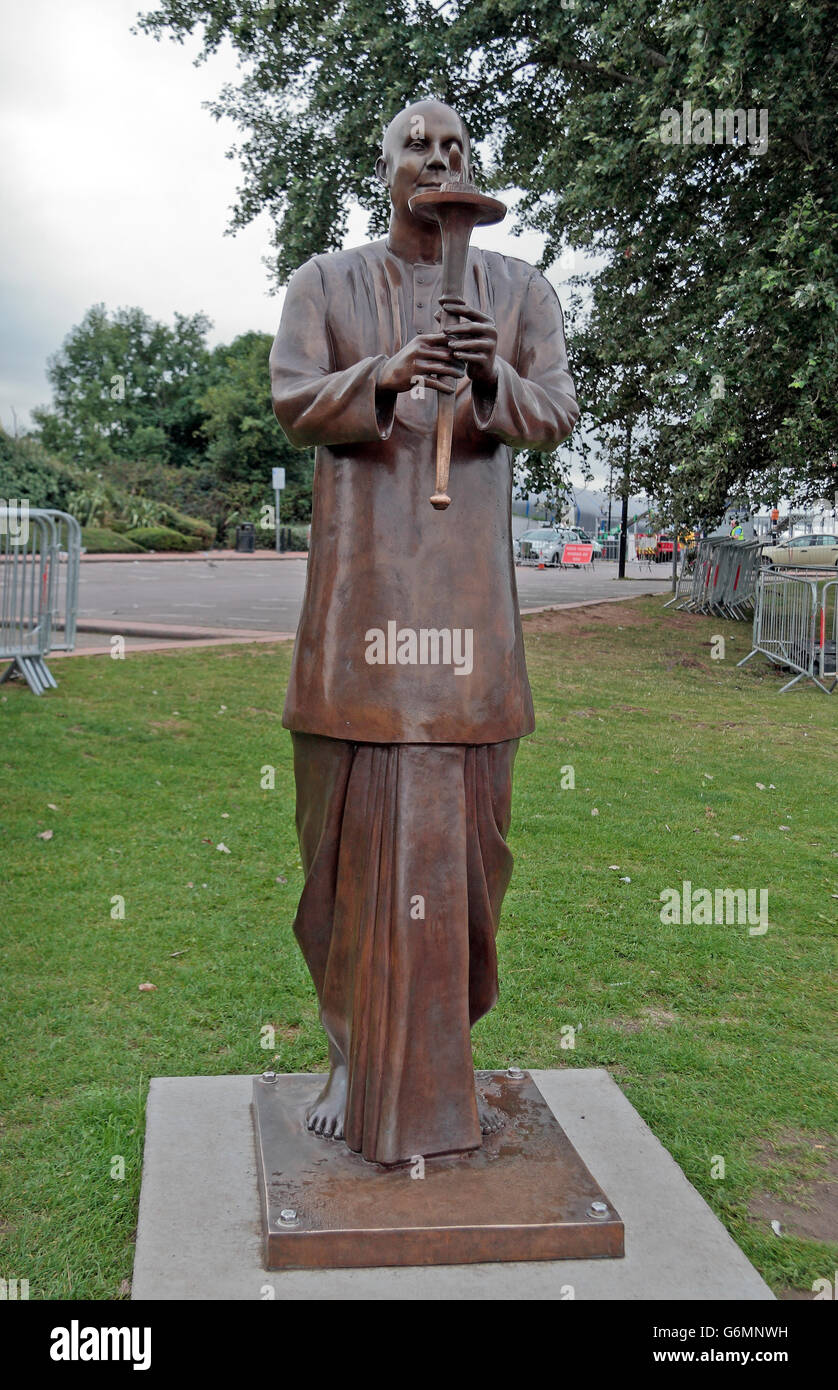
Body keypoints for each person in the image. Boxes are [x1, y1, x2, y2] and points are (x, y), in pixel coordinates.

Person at [270, 98, 578, 1165]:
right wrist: (388, 374)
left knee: (474, 860)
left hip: (470, 630)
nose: (437, 160)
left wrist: (491, 370)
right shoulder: (324, 283)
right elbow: (294, 401)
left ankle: (442, 1053)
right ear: (385, 163)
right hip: (358, 621)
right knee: (340, 862)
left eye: (454, 146)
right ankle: (354, 1052)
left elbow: (555, 410)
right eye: (417, 145)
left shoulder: (520, 289)